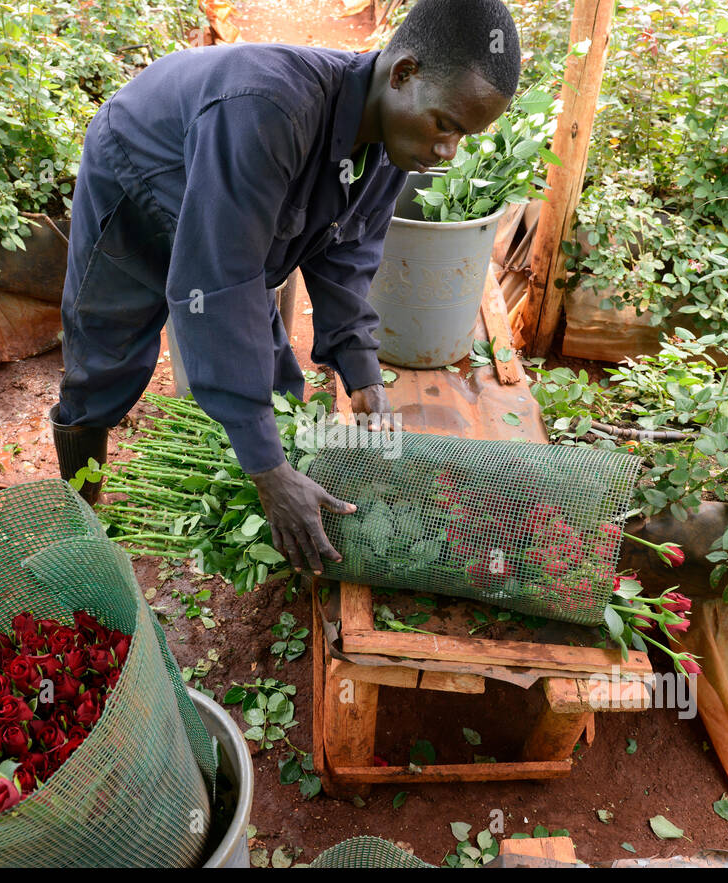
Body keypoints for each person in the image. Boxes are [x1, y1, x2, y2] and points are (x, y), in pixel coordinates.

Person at [51, 0, 521, 573]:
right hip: (140, 174)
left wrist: (363, 375)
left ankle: (279, 495)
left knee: (275, 382)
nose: (447, 150)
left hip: (225, 187)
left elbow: (347, 257)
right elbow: (221, 285)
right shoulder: (268, 109)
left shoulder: (392, 144)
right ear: (403, 74)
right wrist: (268, 473)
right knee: (107, 357)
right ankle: (79, 518)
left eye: (463, 135)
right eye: (446, 124)